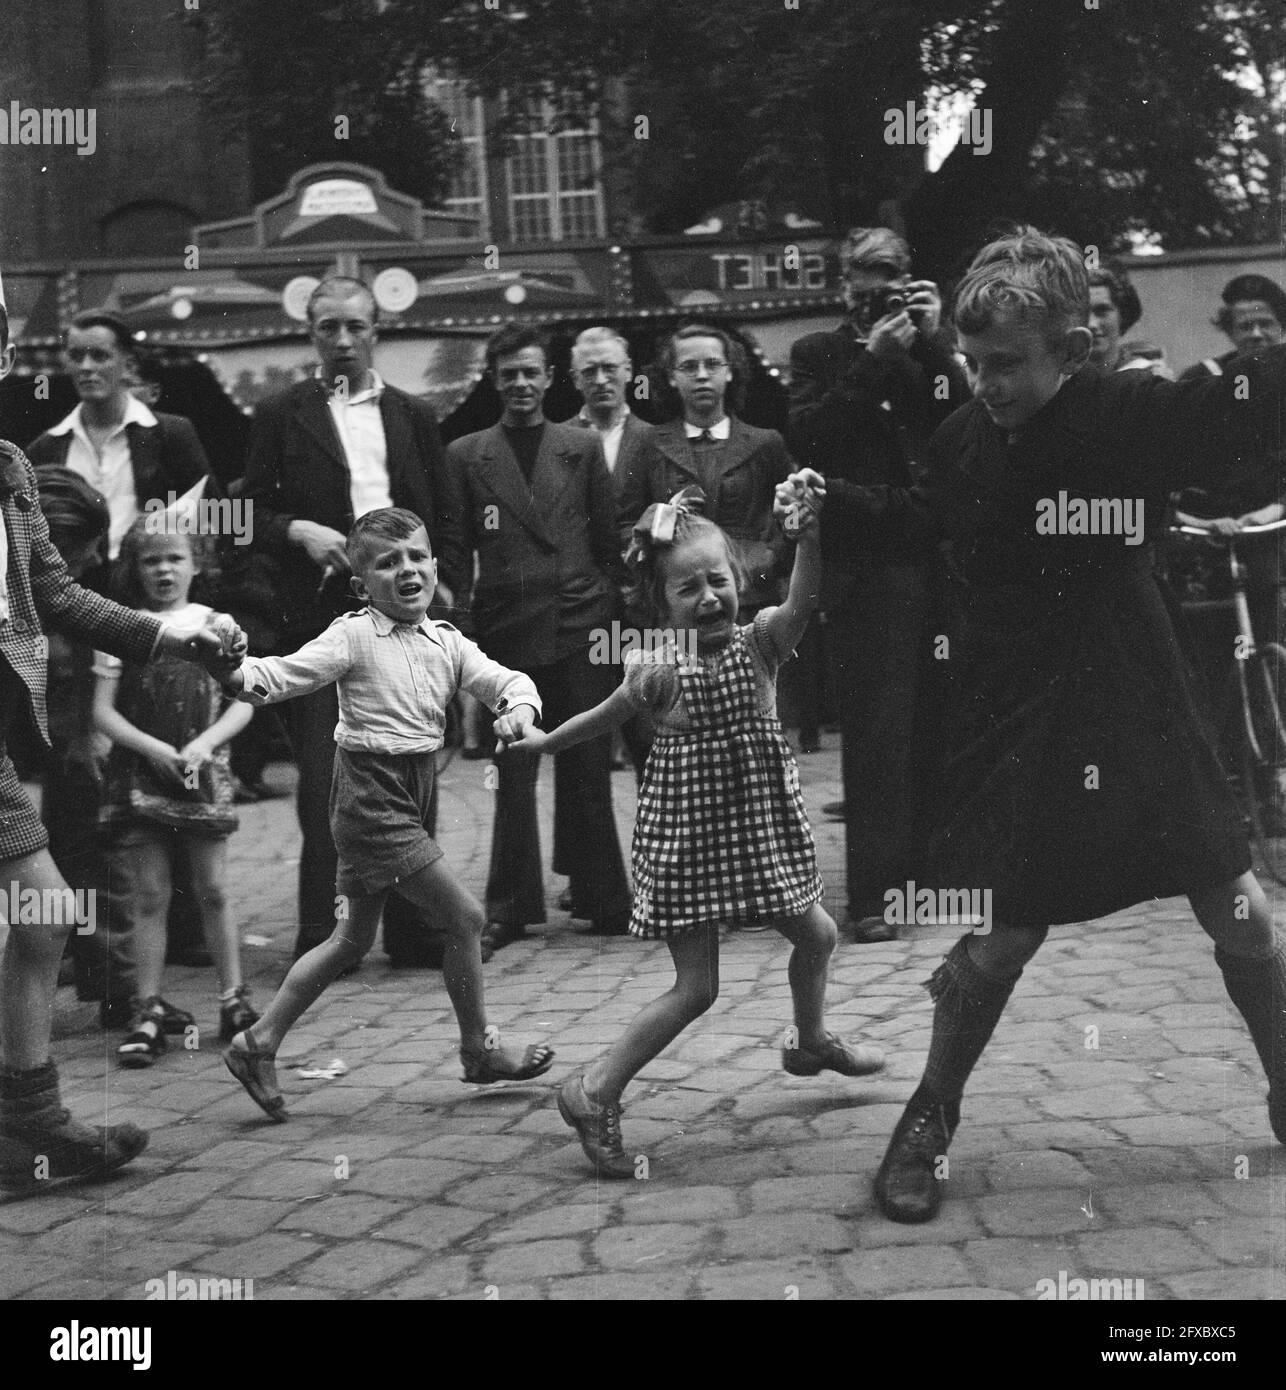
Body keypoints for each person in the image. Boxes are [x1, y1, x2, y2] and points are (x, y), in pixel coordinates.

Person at [813, 226, 1286, 1224]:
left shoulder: (1125, 410)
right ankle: (925, 1121)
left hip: (1130, 689)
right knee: (1000, 930)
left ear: (1070, 349)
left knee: (1233, 903)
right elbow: (918, 514)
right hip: (1016, 706)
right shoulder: (959, 437)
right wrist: (825, 508)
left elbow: (1242, 391)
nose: (985, 384)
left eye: (1007, 366)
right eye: (973, 364)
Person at [503, 482, 884, 1177]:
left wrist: (809, 535)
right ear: (661, 604)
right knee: (697, 987)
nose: (708, 598)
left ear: (739, 580)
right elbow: (604, 718)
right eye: (688, 590)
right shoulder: (655, 671)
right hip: (688, 848)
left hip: (759, 838)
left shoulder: (763, 642)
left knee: (819, 934)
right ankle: (594, 1091)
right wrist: (543, 743)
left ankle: (809, 1041)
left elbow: (804, 599)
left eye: (718, 581)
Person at [0, 276, 244, 1191]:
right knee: (42, 911)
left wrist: (172, 629)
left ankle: (28, 1122)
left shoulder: (14, 471)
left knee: (43, 913)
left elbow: (57, 594)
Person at [219, 508, 553, 1120]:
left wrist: (518, 711)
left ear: (434, 566)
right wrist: (231, 666)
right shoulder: (352, 636)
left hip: (414, 794)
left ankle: (257, 1042)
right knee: (465, 917)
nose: (407, 571)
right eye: (387, 562)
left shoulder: (446, 641)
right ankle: (479, 1049)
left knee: (349, 939)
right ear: (360, 583)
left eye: (417, 557)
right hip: (371, 799)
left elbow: (507, 679)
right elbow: (279, 677)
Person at [239, 275, 464, 965]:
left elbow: (445, 512)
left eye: (355, 327)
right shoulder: (280, 414)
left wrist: (442, 584)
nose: (342, 340)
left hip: (406, 616)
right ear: (311, 334)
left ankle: (415, 932)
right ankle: (324, 934)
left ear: (376, 331)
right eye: (328, 327)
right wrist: (296, 528)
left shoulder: (413, 416)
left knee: (409, 765)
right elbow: (243, 517)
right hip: (321, 614)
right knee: (323, 779)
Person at [789, 227, 968, 943]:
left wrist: (932, 343)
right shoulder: (819, 354)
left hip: (940, 556)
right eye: (864, 273)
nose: (878, 286)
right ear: (842, 284)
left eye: (891, 271)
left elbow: (964, 417)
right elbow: (810, 439)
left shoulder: (928, 348)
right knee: (879, 734)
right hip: (870, 568)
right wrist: (871, 361)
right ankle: (875, 895)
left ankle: (932, 882)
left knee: (942, 722)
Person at [440, 323, 632, 944]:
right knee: (513, 769)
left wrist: (599, 605)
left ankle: (604, 897)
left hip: (579, 624)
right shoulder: (468, 454)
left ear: (549, 378)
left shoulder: (578, 447)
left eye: (530, 373)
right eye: (508, 375)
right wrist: (464, 628)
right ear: (493, 381)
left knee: (586, 761)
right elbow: (456, 548)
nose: (520, 385)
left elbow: (606, 543)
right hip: (508, 630)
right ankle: (509, 907)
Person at [93, 516, 257, 1066]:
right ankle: (148, 1008)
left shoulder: (217, 624)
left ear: (197, 563)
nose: (164, 570)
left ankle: (233, 999)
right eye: (150, 560)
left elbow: (244, 697)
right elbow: (102, 712)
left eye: (175, 558)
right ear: (134, 569)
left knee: (213, 888)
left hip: (200, 774)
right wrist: (151, 749)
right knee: (149, 895)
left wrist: (206, 743)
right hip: (141, 775)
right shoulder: (122, 628)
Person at [618, 324, 791, 619]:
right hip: (678, 606)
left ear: (730, 371)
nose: (701, 375)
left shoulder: (766, 443)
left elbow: (789, 520)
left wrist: (768, 560)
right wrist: (656, 538)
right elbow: (625, 523)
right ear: (671, 377)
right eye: (688, 366)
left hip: (752, 601)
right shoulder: (648, 444)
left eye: (712, 364)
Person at [566, 326, 656, 782]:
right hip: (581, 609)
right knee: (586, 745)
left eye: (610, 369)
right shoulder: (555, 442)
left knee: (650, 735)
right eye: (589, 371)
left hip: (642, 610)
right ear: (574, 378)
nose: (601, 379)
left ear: (628, 373)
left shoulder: (656, 439)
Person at [1085, 261, 1143, 374]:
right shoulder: (1055, 382)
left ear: (1123, 315)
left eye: (1102, 311)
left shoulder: (1143, 378)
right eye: (1082, 312)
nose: (1092, 324)